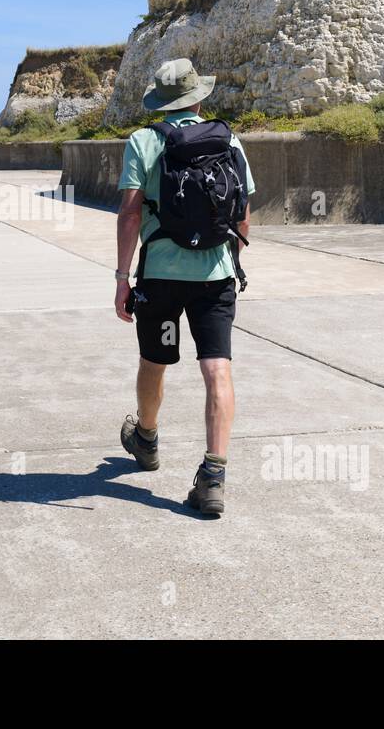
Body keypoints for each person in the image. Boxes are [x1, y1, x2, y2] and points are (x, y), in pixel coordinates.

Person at [113, 59, 255, 517]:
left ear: (161, 100)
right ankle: (213, 477)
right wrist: (224, 258)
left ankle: (147, 439)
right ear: (198, 97)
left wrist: (122, 278)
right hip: (215, 278)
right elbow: (243, 215)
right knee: (217, 368)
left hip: (160, 276)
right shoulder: (228, 139)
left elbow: (131, 213)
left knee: (156, 360)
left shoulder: (143, 141)